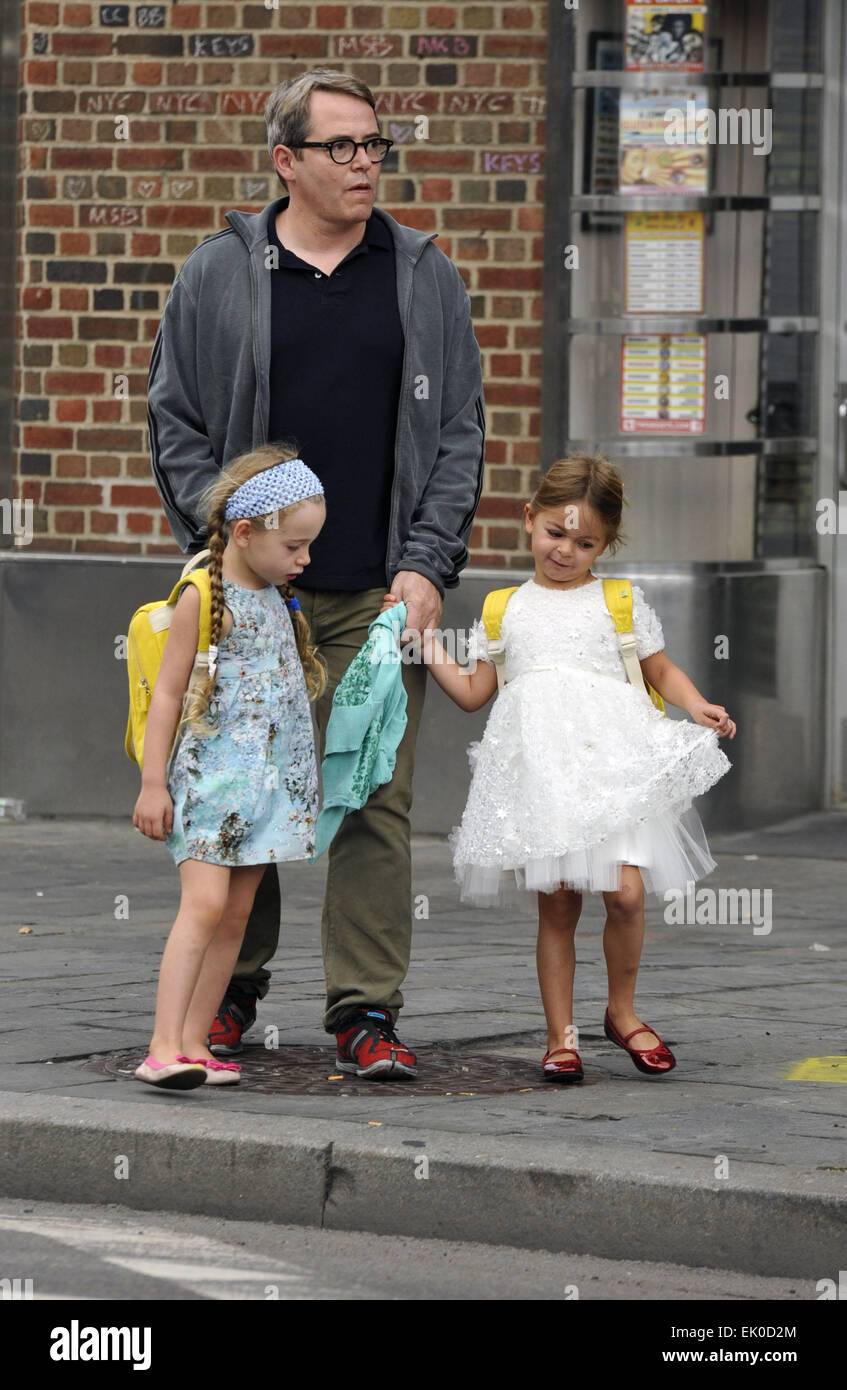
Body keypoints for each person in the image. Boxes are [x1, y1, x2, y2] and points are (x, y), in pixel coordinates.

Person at [146, 68, 485, 1078]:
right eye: (341, 147)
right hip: (256, 599)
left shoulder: (422, 274)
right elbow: (175, 423)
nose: (364, 164)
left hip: (381, 594)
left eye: (375, 145)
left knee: (372, 796)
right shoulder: (220, 272)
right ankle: (227, 998)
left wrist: (426, 567)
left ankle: (364, 1011)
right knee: (247, 798)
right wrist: (232, 551)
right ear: (284, 160)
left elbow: (459, 434)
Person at [401, 455, 735, 1084]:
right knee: (556, 903)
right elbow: (476, 692)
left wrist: (696, 704)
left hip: (614, 771)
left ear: (605, 545)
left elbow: (659, 669)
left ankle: (622, 1010)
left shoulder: (618, 601)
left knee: (626, 894)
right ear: (529, 521)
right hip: (546, 778)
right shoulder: (505, 608)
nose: (565, 551)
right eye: (556, 533)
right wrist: (427, 648)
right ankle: (561, 1035)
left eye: (585, 543)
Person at [132, 448, 326, 1089]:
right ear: (245, 532)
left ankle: (195, 1040)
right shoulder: (202, 593)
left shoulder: (276, 593)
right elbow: (167, 694)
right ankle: (162, 1045)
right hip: (210, 782)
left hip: (264, 785)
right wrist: (153, 783)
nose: (305, 559)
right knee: (205, 904)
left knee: (236, 918)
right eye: (296, 546)